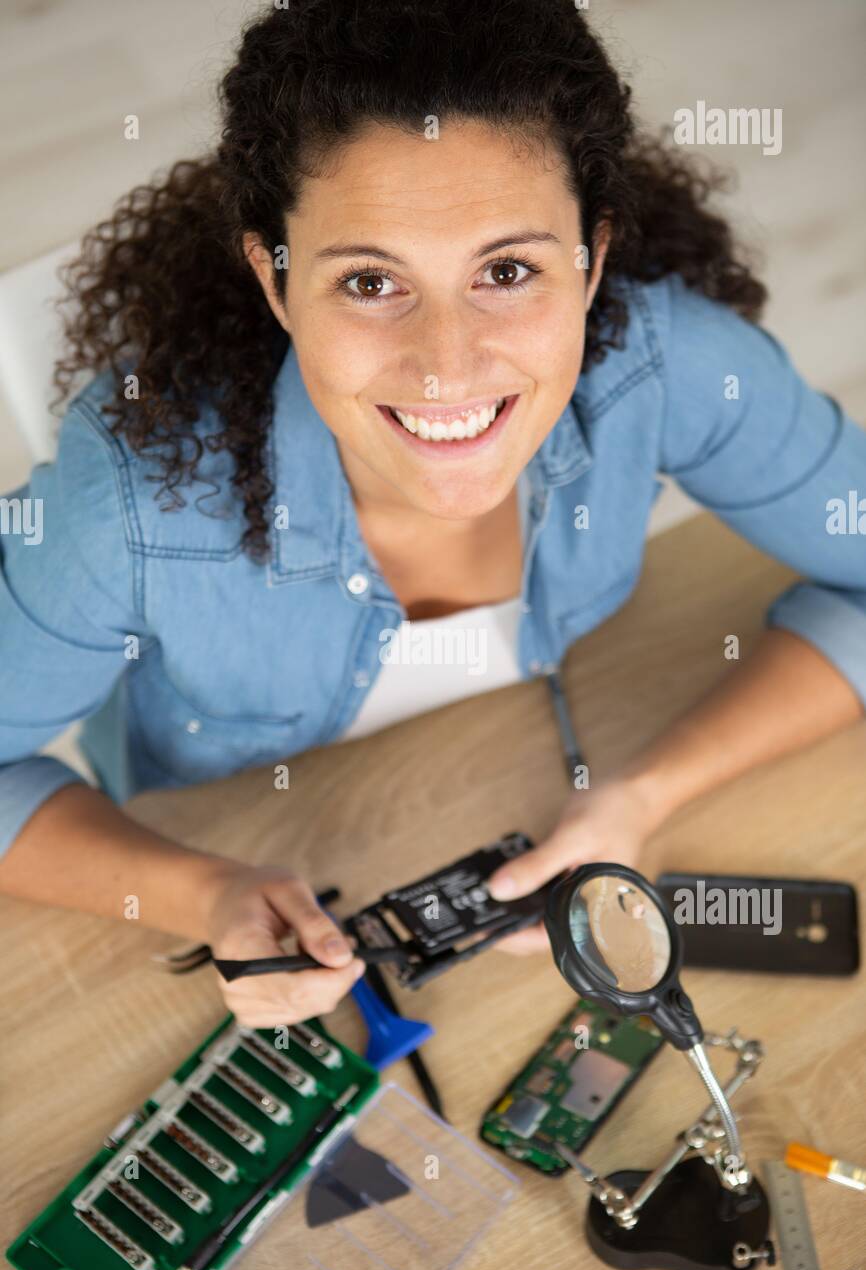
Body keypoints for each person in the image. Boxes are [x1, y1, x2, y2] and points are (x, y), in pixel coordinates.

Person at [1, 0, 863, 1028]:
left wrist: (643, 794)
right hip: (237, 839)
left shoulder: (671, 362)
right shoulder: (129, 505)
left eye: (506, 271)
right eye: (370, 281)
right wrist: (206, 892)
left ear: (589, 260)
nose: (447, 366)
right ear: (274, 283)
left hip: (519, 767)